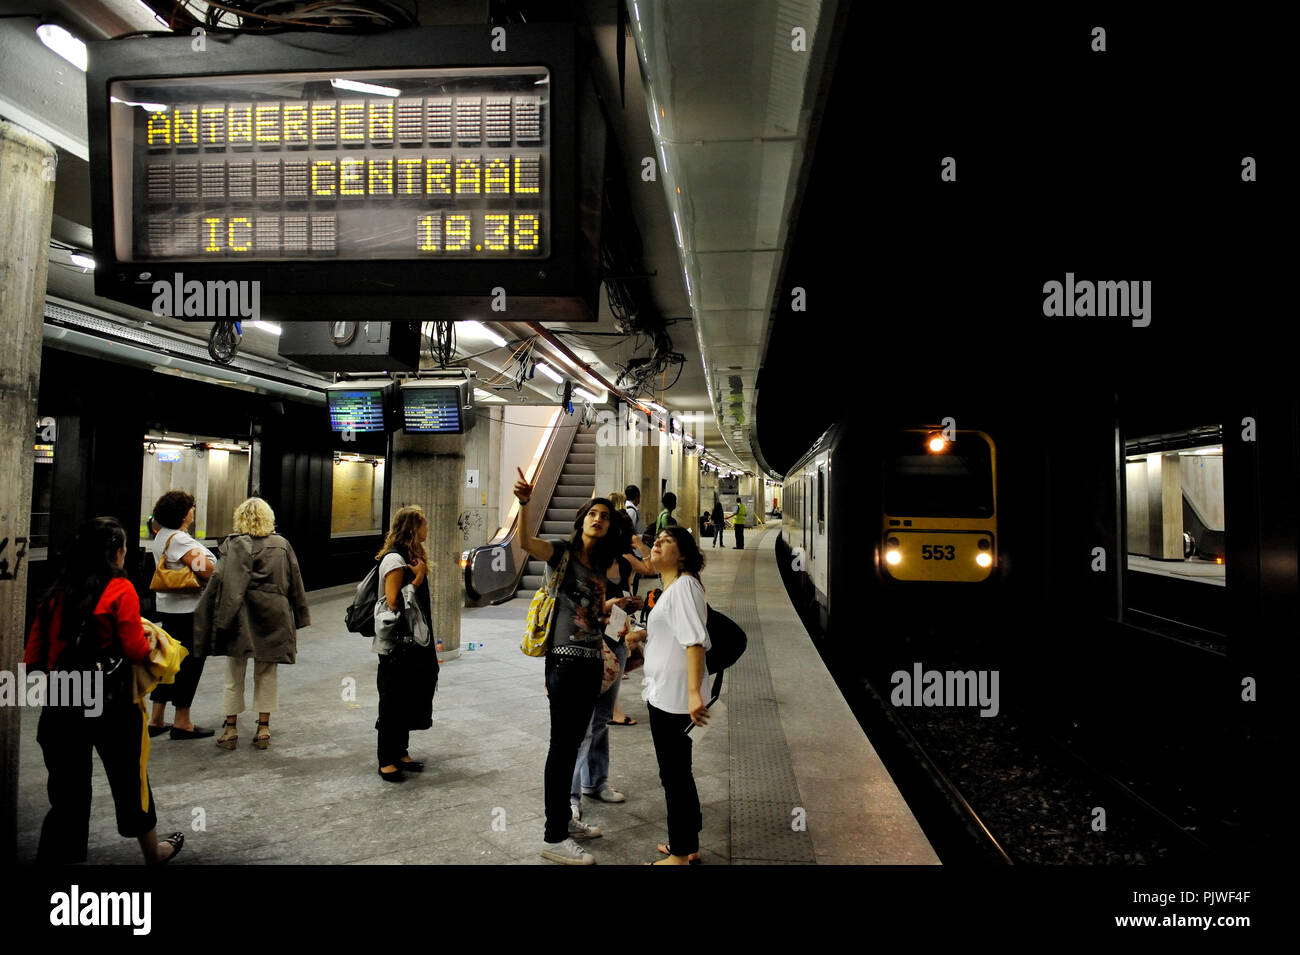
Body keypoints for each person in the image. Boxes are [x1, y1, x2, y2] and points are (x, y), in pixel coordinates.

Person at [24, 517, 186, 864]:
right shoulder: (119, 589)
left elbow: (33, 656)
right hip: (112, 704)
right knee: (130, 779)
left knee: (67, 792)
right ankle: (153, 852)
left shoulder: (55, 592)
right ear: (115, 552)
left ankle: (59, 857)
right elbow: (134, 651)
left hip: (62, 700)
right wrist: (151, 642)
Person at [515, 467, 624, 864]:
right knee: (561, 748)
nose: (598, 518)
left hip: (592, 661)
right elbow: (526, 542)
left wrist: (611, 609)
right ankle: (554, 836)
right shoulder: (560, 553)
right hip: (565, 663)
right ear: (581, 522)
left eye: (604, 515)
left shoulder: (601, 565)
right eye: (593, 514)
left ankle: (564, 818)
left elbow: (592, 613)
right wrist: (526, 504)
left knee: (575, 742)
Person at [195, 498, 310, 751]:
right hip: (274, 613)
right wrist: (300, 615)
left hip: (240, 613)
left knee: (234, 671)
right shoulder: (282, 545)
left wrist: (208, 615)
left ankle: (230, 727)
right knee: (267, 671)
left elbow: (218, 580)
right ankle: (263, 728)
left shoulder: (233, 545)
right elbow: (295, 580)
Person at [625, 525, 710, 865]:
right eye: (656, 540)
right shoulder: (673, 588)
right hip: (666, 694)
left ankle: (679, 854)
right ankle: (686, 843)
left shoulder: (684, 586)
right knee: (678, 773)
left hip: (675, 699)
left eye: (666, 541)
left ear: (683, 554)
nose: (656, 543)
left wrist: (693, 694)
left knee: (674, 775)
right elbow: (675, 634)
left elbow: (693, 641)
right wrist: (642, 635)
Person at [570, 508, 648, 810]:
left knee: (601, 720)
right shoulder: (586, 564)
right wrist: (605, 610)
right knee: (583, 724)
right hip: (588, 647)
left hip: (615, 646)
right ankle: (572, 796)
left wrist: (629, 606)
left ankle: (596, 782)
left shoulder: (624, 564)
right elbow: (576, 610)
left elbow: (621, 602)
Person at [372, 505, 439, 782]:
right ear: (413, 527)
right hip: (398, 644)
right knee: (393, 700)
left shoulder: (410, 556)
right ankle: (386, 759)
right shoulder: (394, 560)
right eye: (423, 524)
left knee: (409, 695)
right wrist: (419, 579)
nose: (427, 529)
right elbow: (393, 602)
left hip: (413, 642)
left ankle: (401, 751)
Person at [147, 491, 217, 739]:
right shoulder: (180, 541)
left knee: (169, 662)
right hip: (190, 612)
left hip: (169, 609)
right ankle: (182, 722)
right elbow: (205, 570)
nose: (193, 511)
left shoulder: (162, 535)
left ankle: (156, 719)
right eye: (190, 507)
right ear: (183, 513)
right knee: (190, 664)